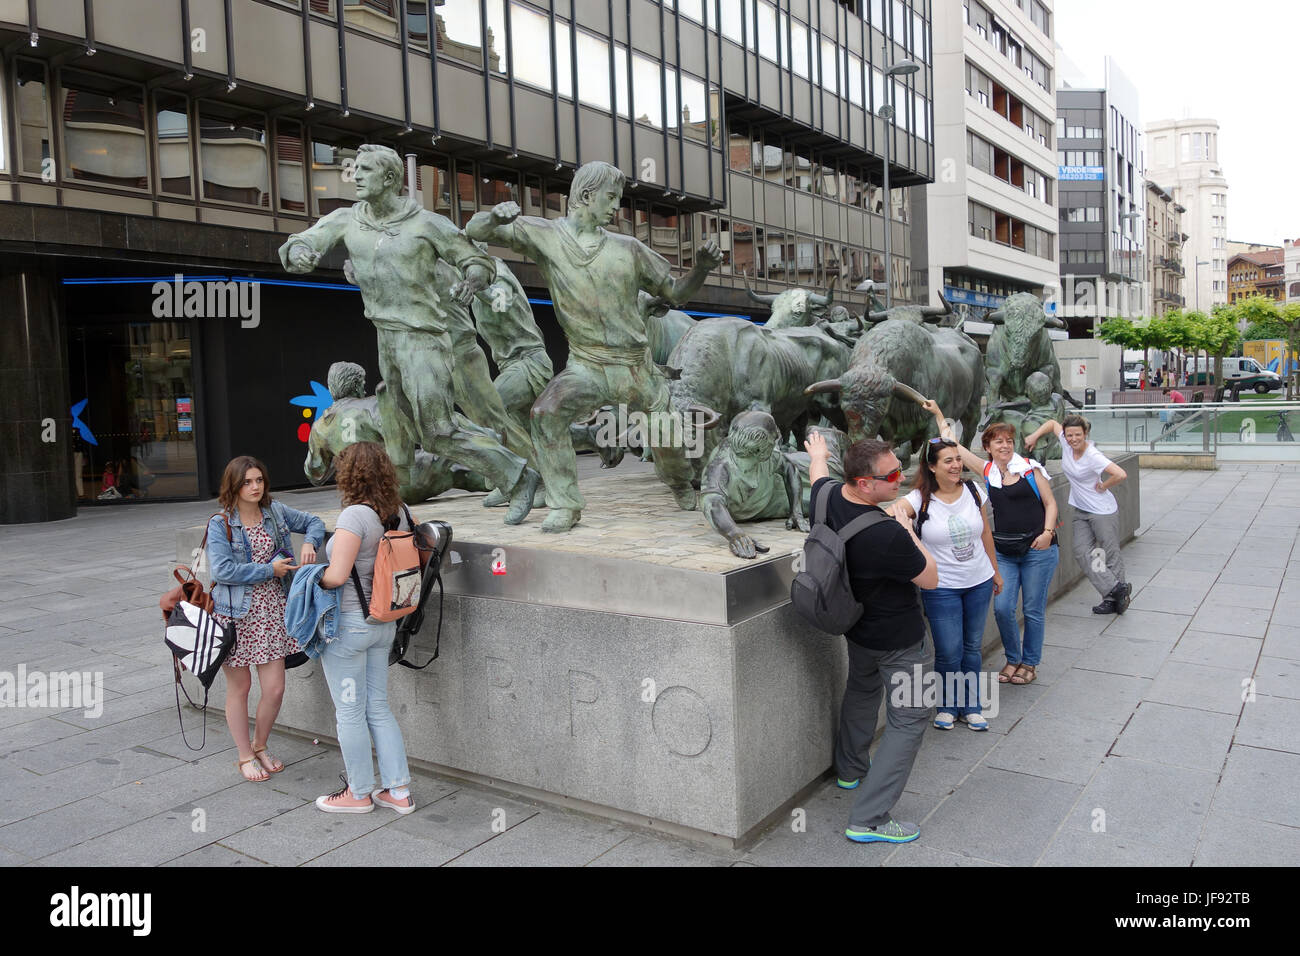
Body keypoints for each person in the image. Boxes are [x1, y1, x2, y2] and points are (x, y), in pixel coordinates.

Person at [280, 144, 539, 525]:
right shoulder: (347, 219)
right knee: (403, 431)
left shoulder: (425, 224)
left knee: (437, 431)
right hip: (387, 340)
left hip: (424, 339)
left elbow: (474, 258)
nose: (357, 176)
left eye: (366, 170)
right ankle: (395, 500)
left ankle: (519, 476)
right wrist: (298, 252)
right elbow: (302, 241)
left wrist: (473, 277)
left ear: (389, 179)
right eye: (357, 169)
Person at [465, 160, 723, 532]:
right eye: (611, 198)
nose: (616, 207)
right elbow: (474, 229)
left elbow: (676, 293)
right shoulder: (547, 235)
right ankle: (565, 504)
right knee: (545, 414)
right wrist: (494, 217)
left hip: (637, 368)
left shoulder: (629, 249)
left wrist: (700, 269)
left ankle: (680, 482)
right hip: (587, 366)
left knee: (670, 444)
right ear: (586, 196)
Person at [806, 431, 938, 844]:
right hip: (901, 641)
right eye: (892, 474)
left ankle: (850, 771)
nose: (901, 477)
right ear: (865, 483)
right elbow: (931, 579)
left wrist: (819, 454)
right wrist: (907, 528)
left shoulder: (827, 496)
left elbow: (816, 475)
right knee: (909, 721)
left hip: (858, 631)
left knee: (862, 692)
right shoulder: (886, 534)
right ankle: (870, 818)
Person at [922, 401, 1059, 686]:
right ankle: (1013, 657)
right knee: (1002, 608)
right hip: (1006, 551)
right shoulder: (987, 472)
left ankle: (1029, 663)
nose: (1005, 446)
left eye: (1009, 441)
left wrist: (1047, 533)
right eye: (999, 442)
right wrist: (938, 413)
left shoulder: (1030, 469)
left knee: (1033, 610)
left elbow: (1050, 503)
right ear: (988, 447)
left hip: (1038, 549)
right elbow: (953, 446)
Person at [207, 456, 325, 782]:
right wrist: (268, 570)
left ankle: (260, 745)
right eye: (247, 482)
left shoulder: (275, 512)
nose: (255, 487)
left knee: (274, 689)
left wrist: (311, 544)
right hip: (236, 615)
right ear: (234, 485)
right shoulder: (221, 523)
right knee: (240, 687)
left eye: (259, 480)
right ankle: (244, 755)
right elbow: (223, 571)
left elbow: (314, 521)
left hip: (273, 611)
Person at [315, 441, 417, 814]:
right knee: (378, 707)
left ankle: (358, 794)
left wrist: (312, 577)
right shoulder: (400, 513)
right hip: (384, 623)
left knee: (349, 711)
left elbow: (337, 575)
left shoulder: (354, 517)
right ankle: (398, 791)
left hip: (349, 629)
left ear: (348, 475)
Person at [888, 438, 1002, 731]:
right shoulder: (919, 499)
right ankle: (948, 706)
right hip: (941, 587)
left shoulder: (975, 491)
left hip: (978, 580)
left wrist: (995, 570)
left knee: (972, 647)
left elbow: (985, 533)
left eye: (957, 459)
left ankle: (972, 706)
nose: (956, 465)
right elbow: (887, 516)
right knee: (950, 650)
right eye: (948, 461)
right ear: (931, 466)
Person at [1025, 414, 1130, 615]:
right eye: (1069, 435)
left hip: (1102, 511)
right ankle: (1115, 589)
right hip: (1081, 509)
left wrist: (1103, 485)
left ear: (1086, 434)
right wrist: (1034, 436)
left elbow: (1120, 474)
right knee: (1082, 551)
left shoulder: (1093, 455)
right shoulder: (1066, 443)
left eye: (1078, 435)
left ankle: (1113, 598)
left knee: (1108, 552)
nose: (1073, 439)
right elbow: (1052, 424)